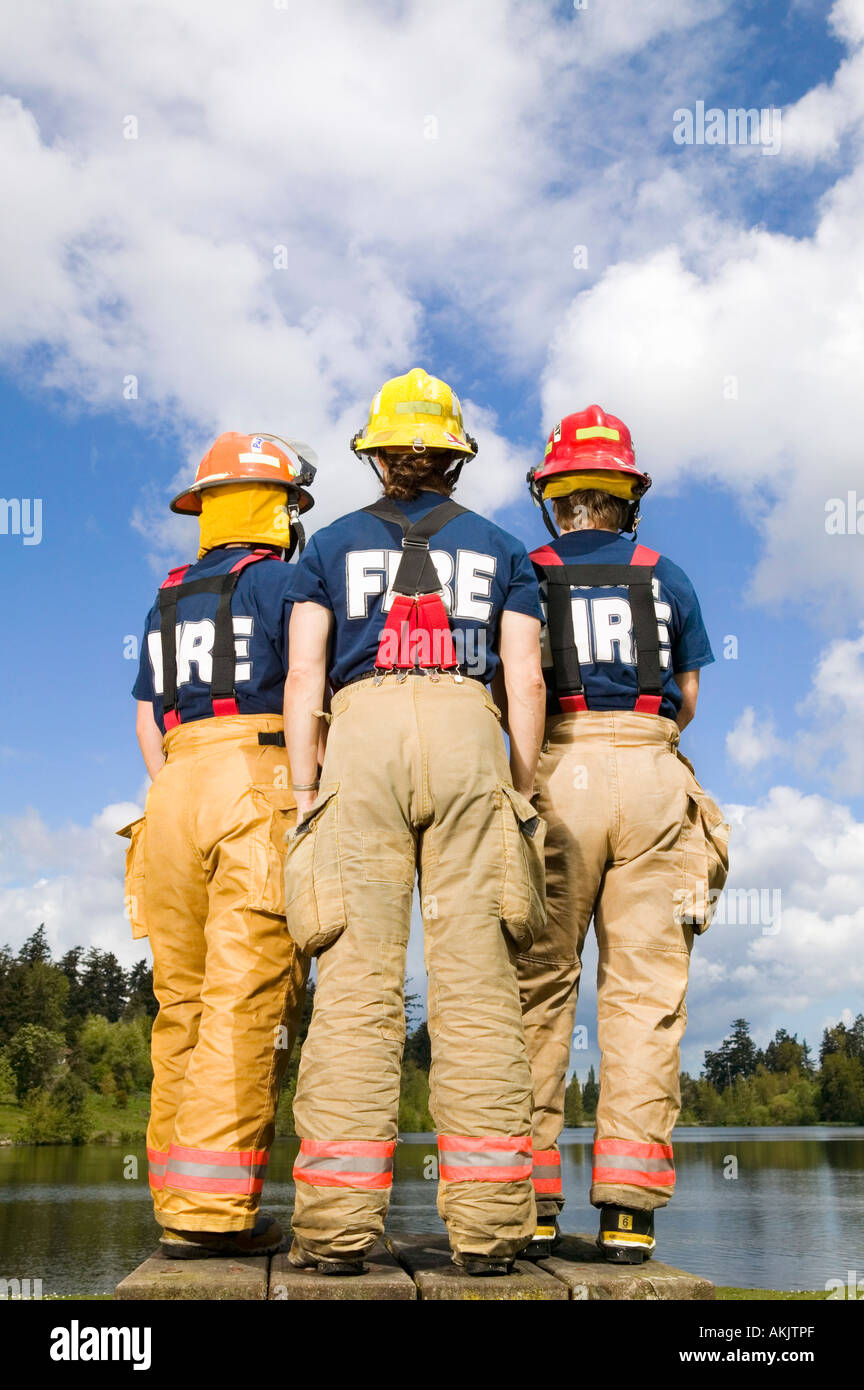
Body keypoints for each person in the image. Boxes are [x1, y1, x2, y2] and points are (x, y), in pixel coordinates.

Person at [282, 367, 548, 1276]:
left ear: (380, 452)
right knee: (478, 991)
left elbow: (303, 676)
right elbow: (526, 680)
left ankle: (333, 1232)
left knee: (355, 987)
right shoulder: (507, 551)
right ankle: (490, 1235)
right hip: (472, 732)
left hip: (360, 736)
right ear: (455, 460)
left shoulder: (327, 546)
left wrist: (307, 786)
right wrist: (516, 786)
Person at [519, 404, 729, 1264]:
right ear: (626, 499)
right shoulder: (667, 575)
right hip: (651, 773)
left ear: (556, 499)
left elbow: (509, 687)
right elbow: (686, 698)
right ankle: (629, 1217)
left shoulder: (520, 573)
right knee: (644, 1001)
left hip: (553, 767)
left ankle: (527, 1204)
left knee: (535, 989)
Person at [120, 431, 316, 1257]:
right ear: (279, 509)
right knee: (247, 1003)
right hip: (257, 775)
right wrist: (304, 794)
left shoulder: (165, 597)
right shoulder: (286, 582)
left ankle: (175, 1199)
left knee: (183, 1006)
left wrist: (177, 786)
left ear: (207, 509)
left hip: (169, 792)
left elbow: (144, 719)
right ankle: (211, 1216)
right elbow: (310, 684)